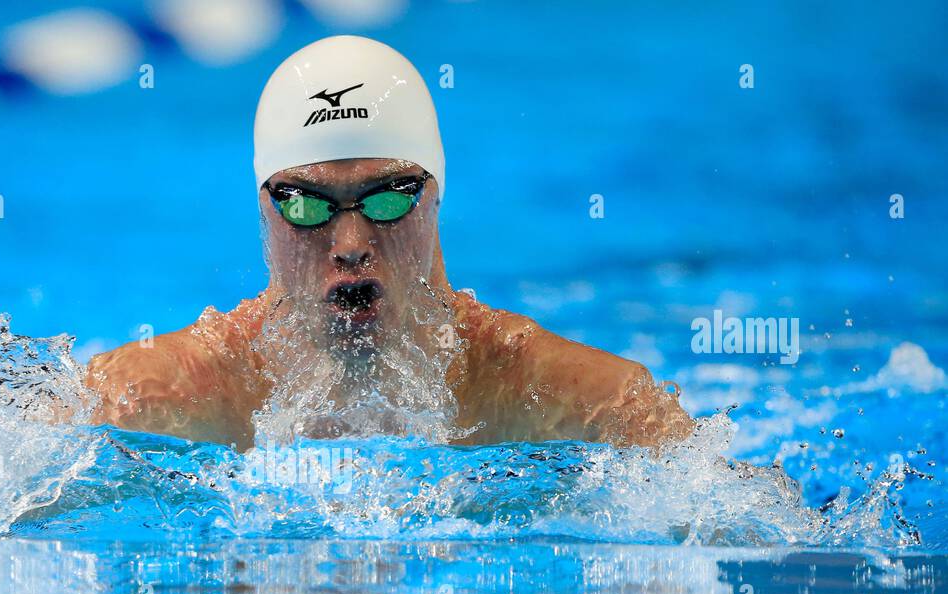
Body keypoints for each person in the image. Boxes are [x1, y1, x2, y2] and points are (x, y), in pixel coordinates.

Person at [82, 35, 693, 450]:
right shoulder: (155, 399)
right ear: (265, 211)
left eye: (389, 198)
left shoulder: (582, 403)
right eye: (305, 204)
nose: (350, 241)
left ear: (436, 195)